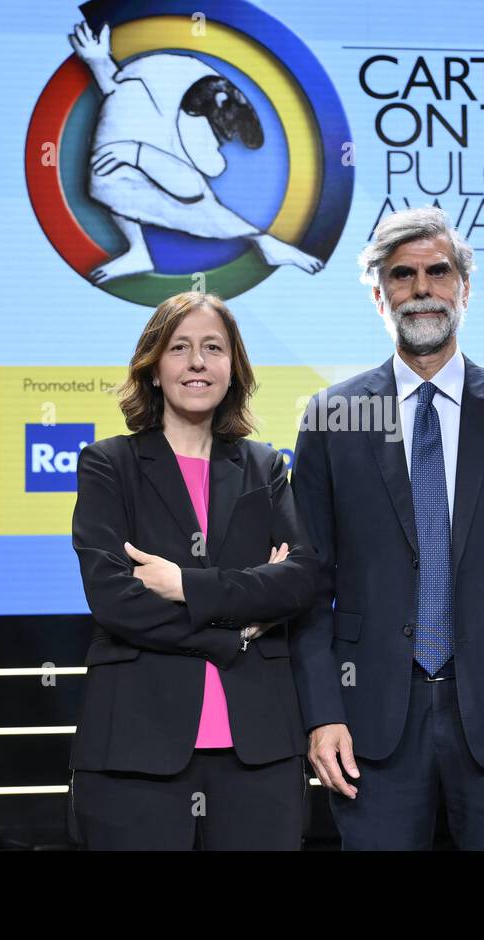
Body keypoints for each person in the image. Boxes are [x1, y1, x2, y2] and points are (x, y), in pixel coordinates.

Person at [290, 207, 484, 850]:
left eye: (438, 272)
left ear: (464, 289)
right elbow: (308, 589)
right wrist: (322, 714)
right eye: (402, 275)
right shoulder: (331, 415)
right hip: (368, 724)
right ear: (379, 297)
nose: (421, 288)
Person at [69, 290, 322, 850]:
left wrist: (184, 585)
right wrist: (235, 629)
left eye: (214, 347)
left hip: (259, 753)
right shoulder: (109, 465)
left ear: (233, 369)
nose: (198, 362)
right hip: (135, 752)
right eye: (179, 348)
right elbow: (116, 599)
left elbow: (301, 578)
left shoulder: (264, 467)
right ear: (154, 369)